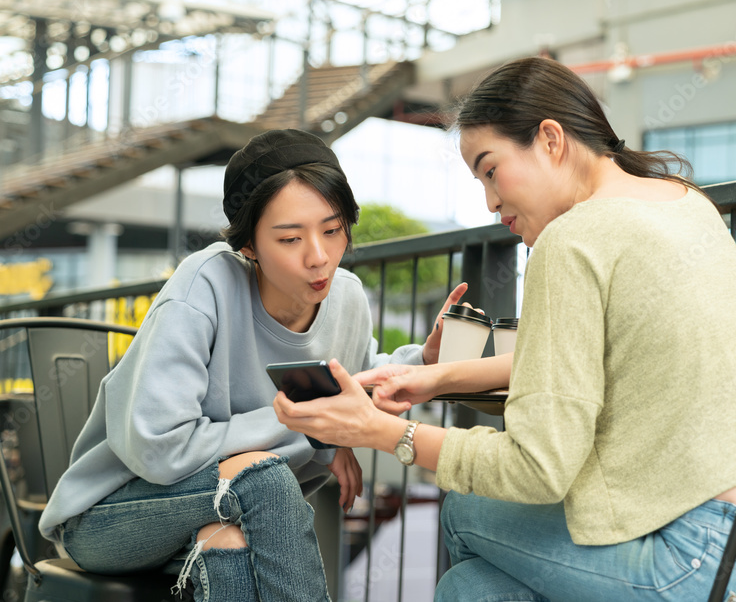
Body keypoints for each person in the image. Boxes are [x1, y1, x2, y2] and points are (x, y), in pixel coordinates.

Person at [274, 57, 736, 601]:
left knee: (468, 511)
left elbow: (538, 470)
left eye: (491, 171)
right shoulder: (685, 203)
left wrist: (379, 431)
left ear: (550, 139)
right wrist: (439, 377)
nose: (491, 201)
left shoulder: (573, 240)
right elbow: (588, 357)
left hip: (710, 565)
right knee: (469, 590)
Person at [38, 129, 468, 601]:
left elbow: (355, 378)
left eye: (332, 229)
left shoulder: (344, 295)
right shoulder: (203, 287)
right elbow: (158, 450)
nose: (319, 257)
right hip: (115, 514)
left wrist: (424, 361)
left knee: (230, 547)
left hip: (225, 515)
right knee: (261, 474)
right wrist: (308, 427)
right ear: (249, 245)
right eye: (289, 238)